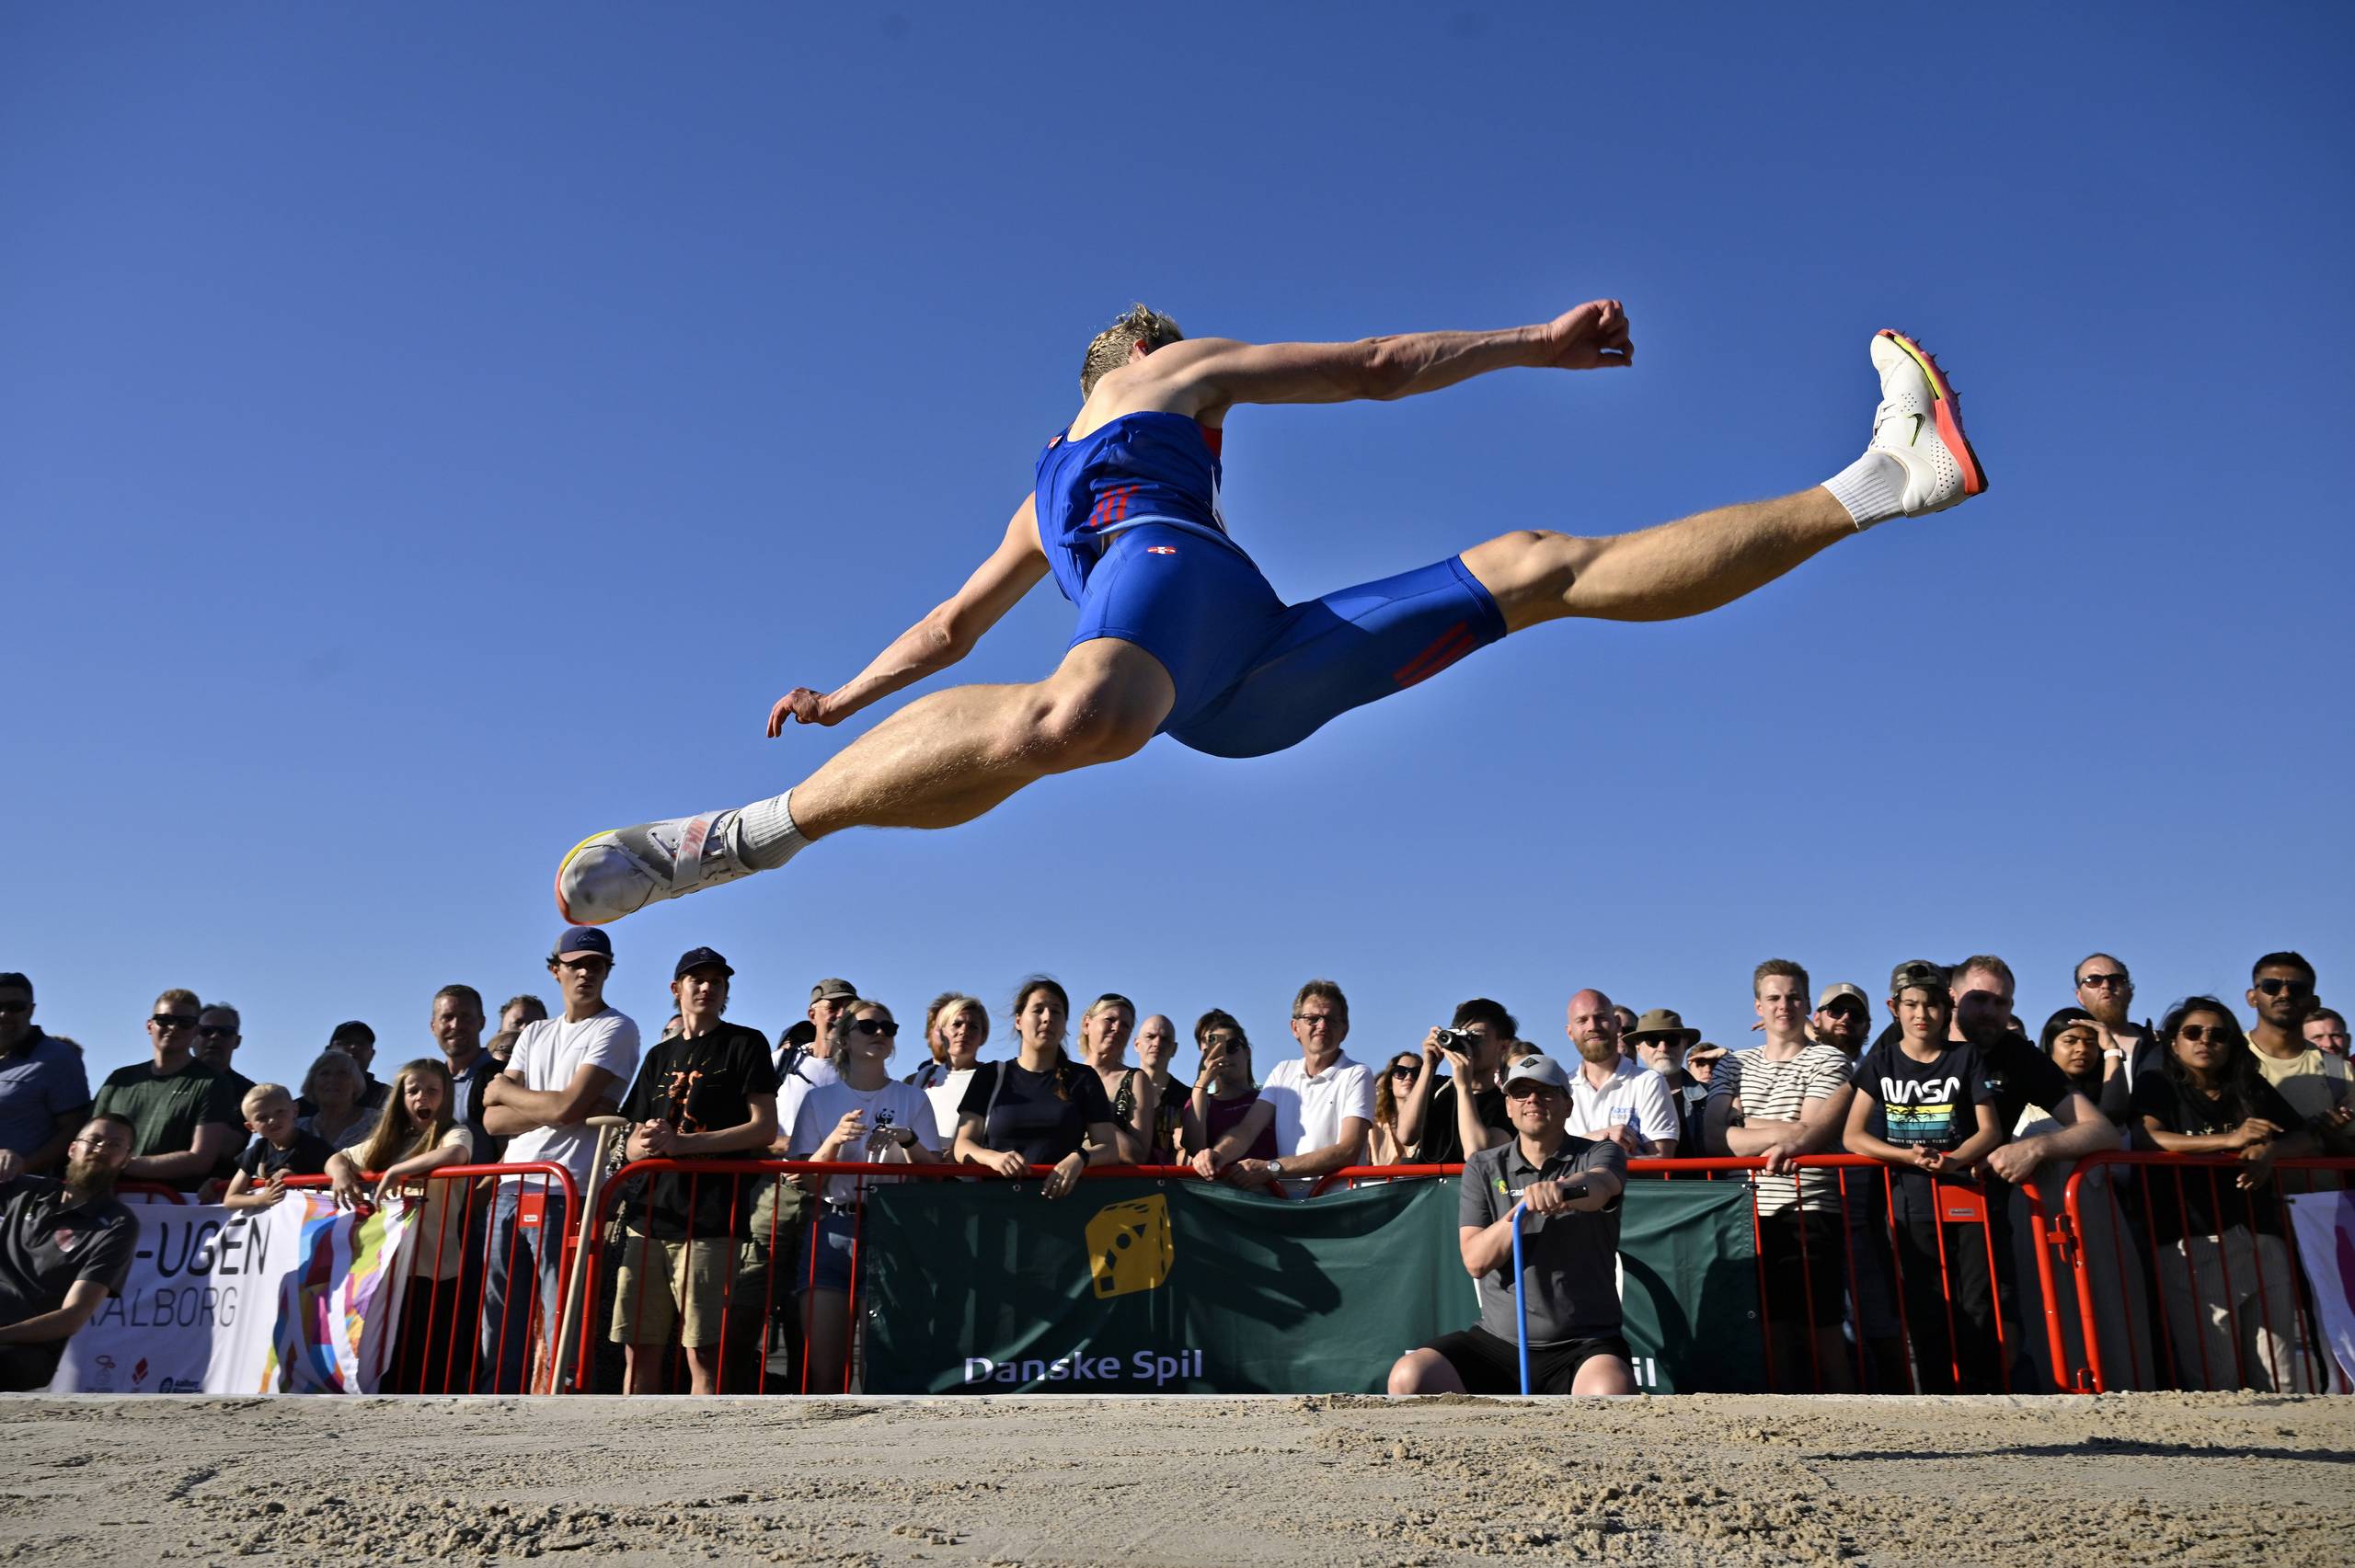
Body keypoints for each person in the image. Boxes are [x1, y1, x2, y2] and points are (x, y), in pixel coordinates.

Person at [554, 311, 1985, 927]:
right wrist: (1533, 346)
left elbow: (948, 633)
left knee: (1542, 563)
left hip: (1228, 669)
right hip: (1192, 643)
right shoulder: (1150, 384)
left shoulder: (1065, 490)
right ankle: (737, 838)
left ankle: (1881, 481)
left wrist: (845, 697)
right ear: (1131, 356)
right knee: (1081, 708)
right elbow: (1375, 364)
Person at [1387, 1053, 1634, 1396]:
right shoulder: (1483, 1166)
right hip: (1498, 1344)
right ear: (1508, 1106)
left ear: (1568, 1104)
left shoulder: (1599, 1152)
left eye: (1545, 1092)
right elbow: (1475, 1261)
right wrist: (1524, 1210)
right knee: (1409, 1376)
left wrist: (1562, 1189)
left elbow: (1602, 1184)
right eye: (1521, 1093)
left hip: (1584, 1344)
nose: (1532, 1100)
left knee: (1609, 1391)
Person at [607, 946, 780, 1396]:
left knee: (702, 1351)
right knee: (638, 1348)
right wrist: (647, 1142)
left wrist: (683, 1144)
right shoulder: (658, 1056)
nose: (707, 987)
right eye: (696, 979)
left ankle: (705, 1437)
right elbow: (631, 1144)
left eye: (716, 981)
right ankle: (631, 1436)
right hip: (648, 1217)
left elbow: (764, 1128)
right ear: (676, 988)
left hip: (710, 1219)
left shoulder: (746, 1043)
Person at [478, 928, 640, 1394]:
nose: (586, 973)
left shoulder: (617, 1027)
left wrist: (509, 1092)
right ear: (556, 971)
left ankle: (562, 1405)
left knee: (562, 1317)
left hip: (567, 1189)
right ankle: (494, 1405)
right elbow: (491, 1120)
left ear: (608, 970)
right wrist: (556, 1108)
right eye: (576, 964)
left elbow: (563, 1107)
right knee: (498, 1318)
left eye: (596, 964)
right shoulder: (534, 1032)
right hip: (512, 1185)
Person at [2131, 999, 2318, 1391]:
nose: (2206, 1041)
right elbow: (2147, 1137)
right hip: (2194, 1239)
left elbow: (2305, 1138)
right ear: (2174, 1042)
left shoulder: (2248, 1086)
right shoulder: (2158, 1083)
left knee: (2280, 1378)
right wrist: (2229, 1140)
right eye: (2193, 1032)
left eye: (2218, 1035)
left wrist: (2271, 1151)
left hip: (2262, 1236)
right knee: (2217, 1378)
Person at [1842, 960, 2004, 1393]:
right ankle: (1936, 1399)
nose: (1921, 1014)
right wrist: (1905, 1157)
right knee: (1924, 1307)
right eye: (1911, 1004)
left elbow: (1990, 1130)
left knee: (1977, 1303)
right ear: (1894, 1008)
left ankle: (1985, 1398)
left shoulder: (1965, 1057)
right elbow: (1853, 1136)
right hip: (1908, 1203)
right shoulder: (1880, 1062)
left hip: (1965, 1196)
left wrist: (1954, 1161)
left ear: (1947, 1008)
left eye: (1931, 1005)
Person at [1707, 961, 1855, 1391]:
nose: (1783, 1006)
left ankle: (1852, 1419)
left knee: (1822, 1333)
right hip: (1745, 1215)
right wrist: (1787, 1131)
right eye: (1773, 998)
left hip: (1810, 1209)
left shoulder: (1830, 1058)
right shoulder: (1733, 1064)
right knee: (1770, 1335)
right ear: (1759, 1006)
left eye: (1792, 997)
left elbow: (1809, 1134)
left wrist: (1745, 1124)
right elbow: (1714, 1139)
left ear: (1807, 1004)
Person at [784, 1000, 946, 1391]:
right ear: (844, 1039)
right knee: (825, 1371)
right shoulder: (819, 1100)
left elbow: (934, 1176)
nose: (880, 1034)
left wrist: (909, 1140)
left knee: (883, 1368)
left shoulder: (913, 1099)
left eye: (888, 1028)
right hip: (832, 1227)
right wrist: (834, 1141)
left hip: (892, 1229)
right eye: (869, 1026)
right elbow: (807, 1181)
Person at [331, 1059, 477, 1394]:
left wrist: (399, 1171)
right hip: (386, 1269)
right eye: (413, 1090)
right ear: (401, 1097)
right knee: (389, 1358)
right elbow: (339, 1158)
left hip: (433, 1268)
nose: (422, 1097)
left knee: (427, 1359)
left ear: (445, 1096)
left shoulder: (453, 1132)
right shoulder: (389, 1140)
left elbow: (456, 1154)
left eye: (432, 1090)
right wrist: (340, 1173)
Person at [0, 1115, 138, 1391]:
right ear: (73, 1148)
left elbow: (73, 1316)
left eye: (114, 1145)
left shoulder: (118, 1224)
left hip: (23, 1348)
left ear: (125, 1160)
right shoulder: (26, 1191)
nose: (101, 1149)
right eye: (94, 1140)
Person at [953, 978, 1118, 1199]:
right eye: (1038, 1010)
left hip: (1062, 1206)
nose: (1047, 1018)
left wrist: (1079, 1157)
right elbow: (962, 1146)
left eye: (1056, 1011)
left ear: (1065, 1024)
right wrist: (992, 1158)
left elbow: (1109, 1148)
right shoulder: (990, 1075)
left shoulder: (1084, 1078)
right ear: (1018, 1020)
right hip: (996, 1206)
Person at [1226, 980, 1373, 1196]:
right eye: (1312, 1019)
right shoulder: (1282, 1071)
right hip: (1288, 1205)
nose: (1322, 1026)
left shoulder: (1358, 1074)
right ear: (1295, 1028)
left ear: (1345, 1030)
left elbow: (1348, 1150)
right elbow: (1247, 1130)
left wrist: (1271, 1168)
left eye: (1331, 1019)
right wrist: (1215, 1156)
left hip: (1338, 1204)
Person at [90, 990, 242, 1194]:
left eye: (185, 1022)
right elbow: (88, 1140)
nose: (173, 1027)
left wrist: (119, 1164)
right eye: (164, 1020)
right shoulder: (120, 1079)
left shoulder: (214, 1084)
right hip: (103, 1195)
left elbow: (200, 1160)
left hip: (166, 1205)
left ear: (195, 1030)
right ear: (149, 1026)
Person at [2243, 952, 2354, 1173]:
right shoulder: (2226, 1059)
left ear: (2314, 1003)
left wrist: (2329, 1134)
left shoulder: (2340, 1071)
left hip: (2321, 1193)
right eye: (2272, 986)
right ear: (2252, 997)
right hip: (2246, 1192)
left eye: (2297, 989)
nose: (2285, 994)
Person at [1396, 1000, 1515, 1166]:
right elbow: (1405, 1135)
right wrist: (1429, 1066)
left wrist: (1464, 1087)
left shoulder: (1508, 1104)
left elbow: (1477, 1154)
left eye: (1476, 1036)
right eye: (1462, 1035)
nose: (1467, 1044)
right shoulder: (1438, 1087)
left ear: (1503, 1046)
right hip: (1427, 1183)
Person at [1563, 990, 1679, 1158]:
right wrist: (1597, 1140)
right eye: (1582, 1020)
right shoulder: (1561, 1088)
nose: (1592, 1026)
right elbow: (1545, 1158)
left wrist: (1582, 1151)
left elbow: (1661, 1163)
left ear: (1617, 1024)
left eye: (1601, 1017)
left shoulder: (1649, 1082)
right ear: (1570, 1032)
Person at [0, 973, 89, 1181]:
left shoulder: (58, 1058)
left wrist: (21, 1166)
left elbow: (75, 1128)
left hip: (20, 1191)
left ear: (31, 1010)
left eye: (15, 1007)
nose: (4, 1014)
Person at [1182, 1013, 1276, 1177]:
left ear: (1247, 1052)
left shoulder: (1269, 1098)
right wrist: (1201, 1086)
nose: (1224, 1056)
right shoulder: (1201, 1101)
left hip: (1268, 1190)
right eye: (1215, 1050)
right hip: (1218, 1190)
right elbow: (1195, 1150)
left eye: (1231, 1047)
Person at [220, 1083, 334, 1211]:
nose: (272, 1120)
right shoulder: (257, 1150)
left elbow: (336, 1171)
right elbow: (230, 1199)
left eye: (280, 1112)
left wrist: (296, 1180)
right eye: (262, 1117)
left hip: (312, 1218)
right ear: (251, 1127)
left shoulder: (314, 1146)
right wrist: (261, 1199)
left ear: (295, 1111)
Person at [431, 984, 506, 1164]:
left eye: (465, 1017)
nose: (456, 1025)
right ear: (433, 1026)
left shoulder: (503, 1077)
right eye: (447, 1017)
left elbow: (515, 1147)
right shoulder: (425, 1083)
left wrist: (486, 1182)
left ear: (482, 1023)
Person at [1078, 993, 1155, 1162]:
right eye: (1110, 1020)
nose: (1117, 1028)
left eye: (1125, 1025)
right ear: (1087, 1024)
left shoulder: (1135, 1080)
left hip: (1113, 1178)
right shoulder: (1065, 1075)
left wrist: (1090, 1115)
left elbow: (1138, 1155)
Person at [1625, 1008, 1709, 1152]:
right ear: (1639, 1049)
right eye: (1652, 1040)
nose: (1663, 1048)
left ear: (1685, 1045)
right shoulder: (1621, 1097)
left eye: (1672, 1039)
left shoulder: (1712, 1097)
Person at [918, 996, 989, 1140]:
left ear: (983, 1037)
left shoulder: (991, 1077)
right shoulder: (925, 1075)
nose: (964, 1031)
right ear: (942, 1032)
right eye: (957, 1024)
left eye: (973, 1026)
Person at [1131, 1013, 1189, 1162]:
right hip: (1124, 1175)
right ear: (1136, 1044)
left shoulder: (1189, 1098)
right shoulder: (1120, 1090)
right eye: (1150, 1037)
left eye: (1165, 1039)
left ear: (1174, 1049)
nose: (1157, 1043)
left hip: (1173, 1176)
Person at [296, 1049, 376, 1151]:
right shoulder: (295, 1129)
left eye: (342, 1073)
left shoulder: (377, 1123)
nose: (333, 1079)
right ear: (312, 1084)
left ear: (355, 1083)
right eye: (325, 1073)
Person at [1368, 1051, 1424, 1168]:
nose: (1409, 1077)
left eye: (1417, 1073)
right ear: (1389, 1082)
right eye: (1400, 1072)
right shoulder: (1371, 1126)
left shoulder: (1436, 1123)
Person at [326, 1020, 391, 1116]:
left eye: (362, 1044)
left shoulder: (389, 1098)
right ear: (328, 1051)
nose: (353, 1047)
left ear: (372, 1054)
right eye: (346, 1042)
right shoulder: (305, 1106)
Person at [1808, 983, 1873, 1056]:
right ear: (1817, 1019)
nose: (1846, 1017)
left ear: (1867, 1027)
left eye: (1856, 1014)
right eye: (1836, 1010)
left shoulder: (1877, 1063)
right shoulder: (1799, 1061)